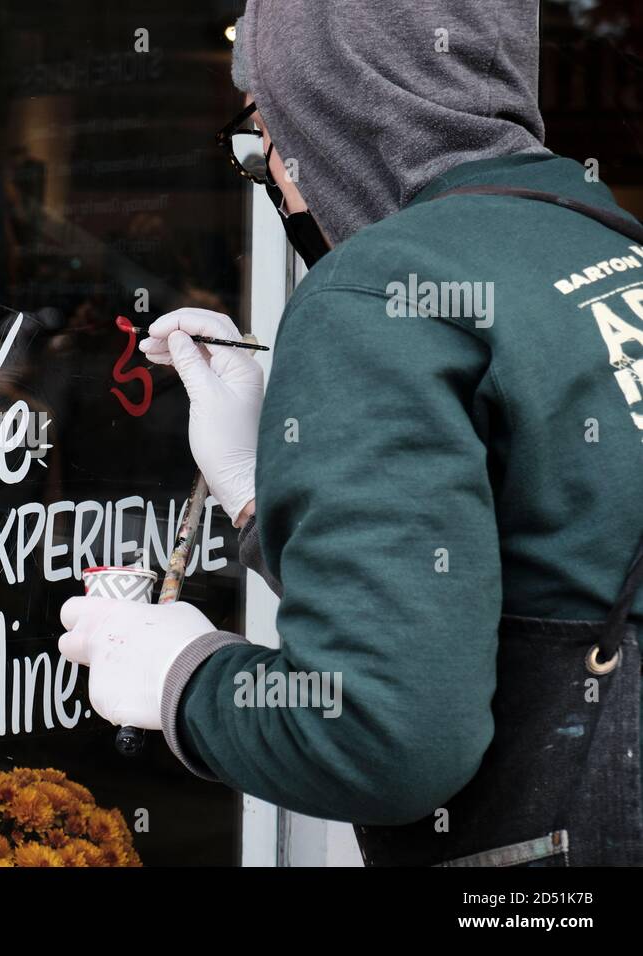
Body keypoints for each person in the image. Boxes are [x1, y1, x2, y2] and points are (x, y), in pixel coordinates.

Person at [58, 0, 643, 866]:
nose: (277, 179)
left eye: (265, 139)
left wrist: (182, 676)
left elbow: (383, 740)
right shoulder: (609, 248)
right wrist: (262, 491)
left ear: (332, 112)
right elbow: (482, 574)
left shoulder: (377, 291)